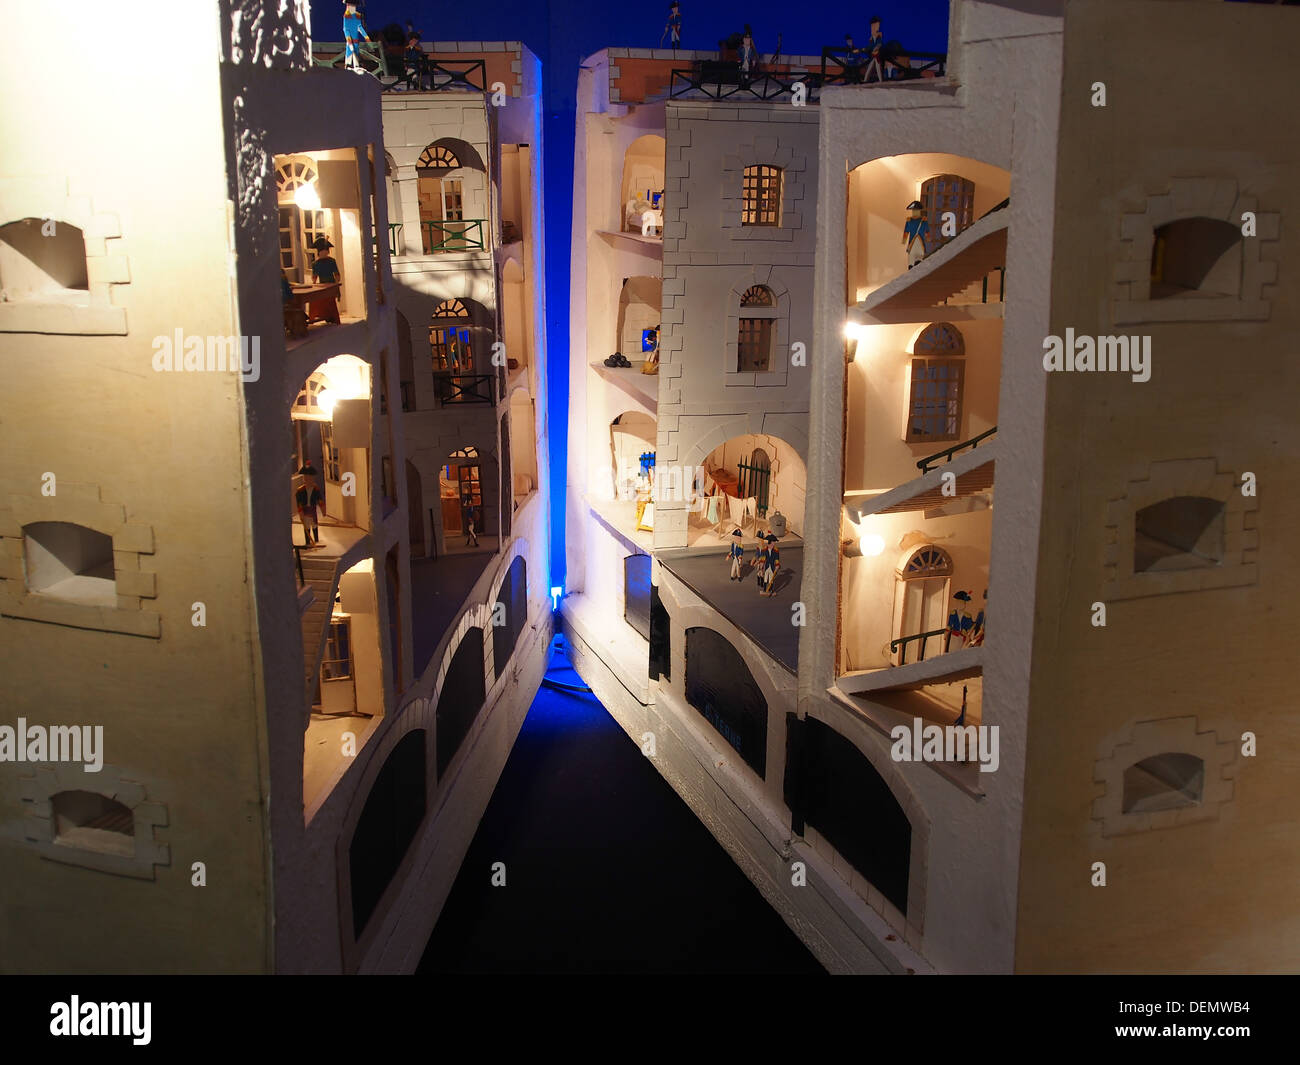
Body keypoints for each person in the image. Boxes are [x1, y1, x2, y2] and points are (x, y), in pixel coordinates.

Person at [309, 245, 342, 324]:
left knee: (330, 301)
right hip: (322, 284)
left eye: (326, 251)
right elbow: (314, 276)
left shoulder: (331, 261)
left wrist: (336, 282)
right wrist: (314, 282)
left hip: (331, 283)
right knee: (321, 301)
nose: (324, 253)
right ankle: (323, 315)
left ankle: (332, 317)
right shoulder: (316, 263)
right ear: (319, 253)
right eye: (322, 251)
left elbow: (336, 273)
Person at [296, 473, 325, 547]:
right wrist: (300, 512)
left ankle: (316, 540)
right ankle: (308, 541)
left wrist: (323, 510)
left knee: (314, 524)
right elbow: (299, 503)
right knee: (307, 525)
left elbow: (320, 500)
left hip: (312, 508)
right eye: (307, 479)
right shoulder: (300, 490)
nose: (309, 481)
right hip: (305, 510)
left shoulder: (315, 489)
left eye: (310, 479)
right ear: (304, 480)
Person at [343, 2, 370, 73]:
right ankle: (348, 65)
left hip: (356, 40)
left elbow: (359, 27)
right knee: (349, 52)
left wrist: (366, 37)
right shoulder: (346, 16)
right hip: (350, 40)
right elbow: (346, 30)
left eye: (353, 6)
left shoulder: (358, 15)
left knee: (356, 53)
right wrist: (349, 42)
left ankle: (357, 66)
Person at [902, 200, 929, 268]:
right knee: (911, 260)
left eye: (916, 210)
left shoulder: (923, 220)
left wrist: (928, 238)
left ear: (919, 211)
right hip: (912, 243)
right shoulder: (909, 221)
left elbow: (927, 231)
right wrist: (904, 240)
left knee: (919, 259)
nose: (914, 212)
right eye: (913, 210)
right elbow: (906, 231)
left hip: (920, 243)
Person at [865, 15, 885, 82]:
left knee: (876, 67)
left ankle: (879, 80)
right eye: (877, 25)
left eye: (878, 25)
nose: (878, 27)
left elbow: (880, 43)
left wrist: (876, 47)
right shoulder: (872, 37)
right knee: (872, 67)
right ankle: (866, 80)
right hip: (873, 55)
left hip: (877, 54)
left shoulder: (879, 35)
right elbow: (870, 45)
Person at [762, 532, 781, 597]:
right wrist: (762, 565)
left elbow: (776, 559)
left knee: (771, 579)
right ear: (770, 542)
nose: (774, 543)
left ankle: (771, 590)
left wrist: (777, 565)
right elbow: (763, 557)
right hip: (767, 566)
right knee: (765, 578)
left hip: (772, 566)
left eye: (774, 542)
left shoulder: (776, 550)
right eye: (773, 542)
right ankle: (765, 589)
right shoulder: (765, 549)